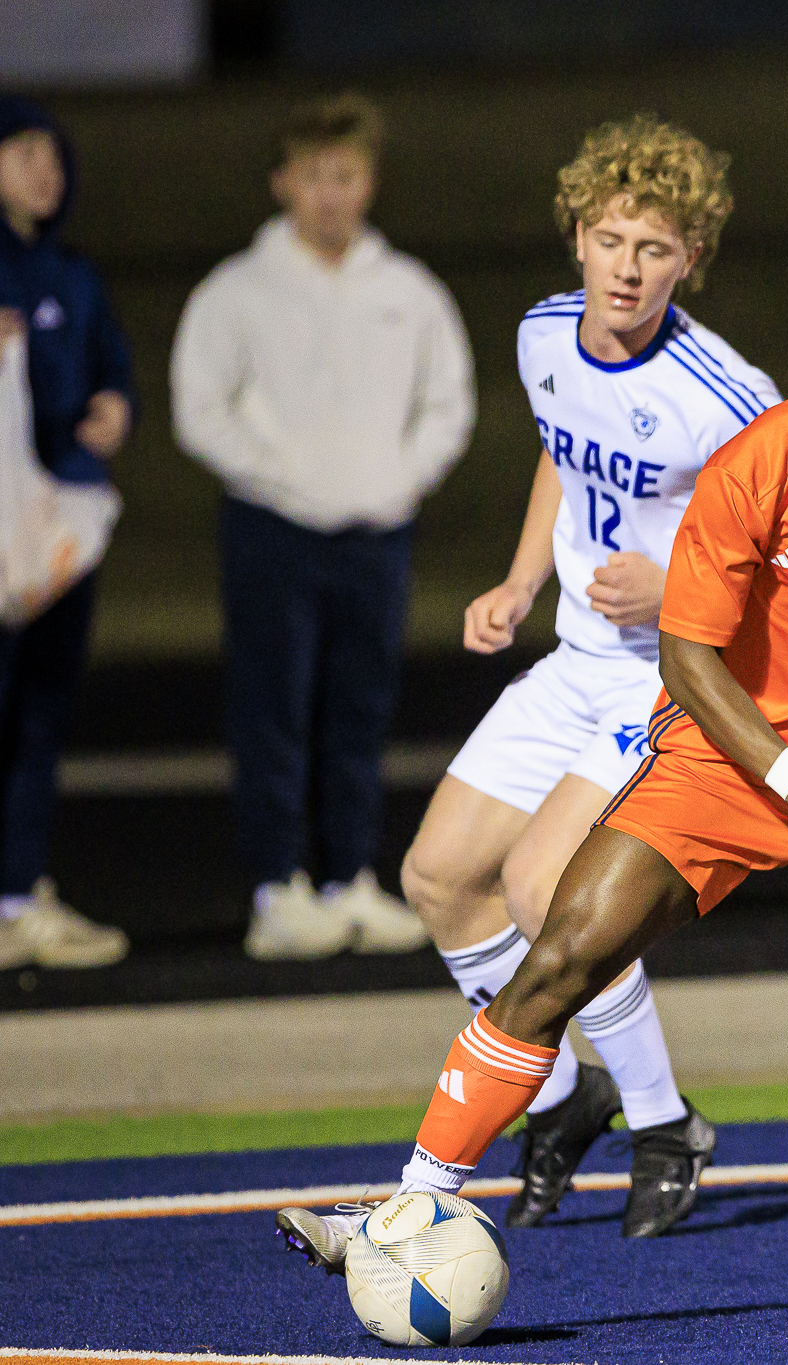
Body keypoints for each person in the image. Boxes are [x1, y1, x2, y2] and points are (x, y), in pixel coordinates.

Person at [274, 231, 788, 1311]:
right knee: (561, 951)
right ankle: (411, 1197)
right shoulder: (754, 468)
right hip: (732, 756)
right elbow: (691, 663)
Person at [400, 115, 775, 1237]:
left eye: (654, 248)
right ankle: (564, 1099)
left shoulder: (732, 396)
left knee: (539, 888)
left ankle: (664, 1123)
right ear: (575, 238)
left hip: (670, 678)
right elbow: (562, 453)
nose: (627, 265)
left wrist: (677, 594)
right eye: (609, 238)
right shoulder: (542, 335)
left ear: (690, 260)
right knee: (438, 878)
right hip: (574, 661)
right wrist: (521, 583)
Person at [172, 93, 474, 961]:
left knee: (359, 711)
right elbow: (201, 409)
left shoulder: (408, 291)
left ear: (368, 183)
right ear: (282, 185)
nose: (330, 194)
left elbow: (447, 402)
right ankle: (278, 886)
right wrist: (283, 479)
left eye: (344, 176)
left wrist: (396, 479)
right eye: (313, 178)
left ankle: (349, 879)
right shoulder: (237, 291)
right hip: (274, 529)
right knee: (273, 710)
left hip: (376, 533)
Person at [0, 96, 131, 971]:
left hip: (55, 536)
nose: (44, 169)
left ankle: (18, 895)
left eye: (53, 152)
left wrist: (116, 405)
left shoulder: (72, 274)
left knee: (41, 712)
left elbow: (109, 366)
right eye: (22, 151)